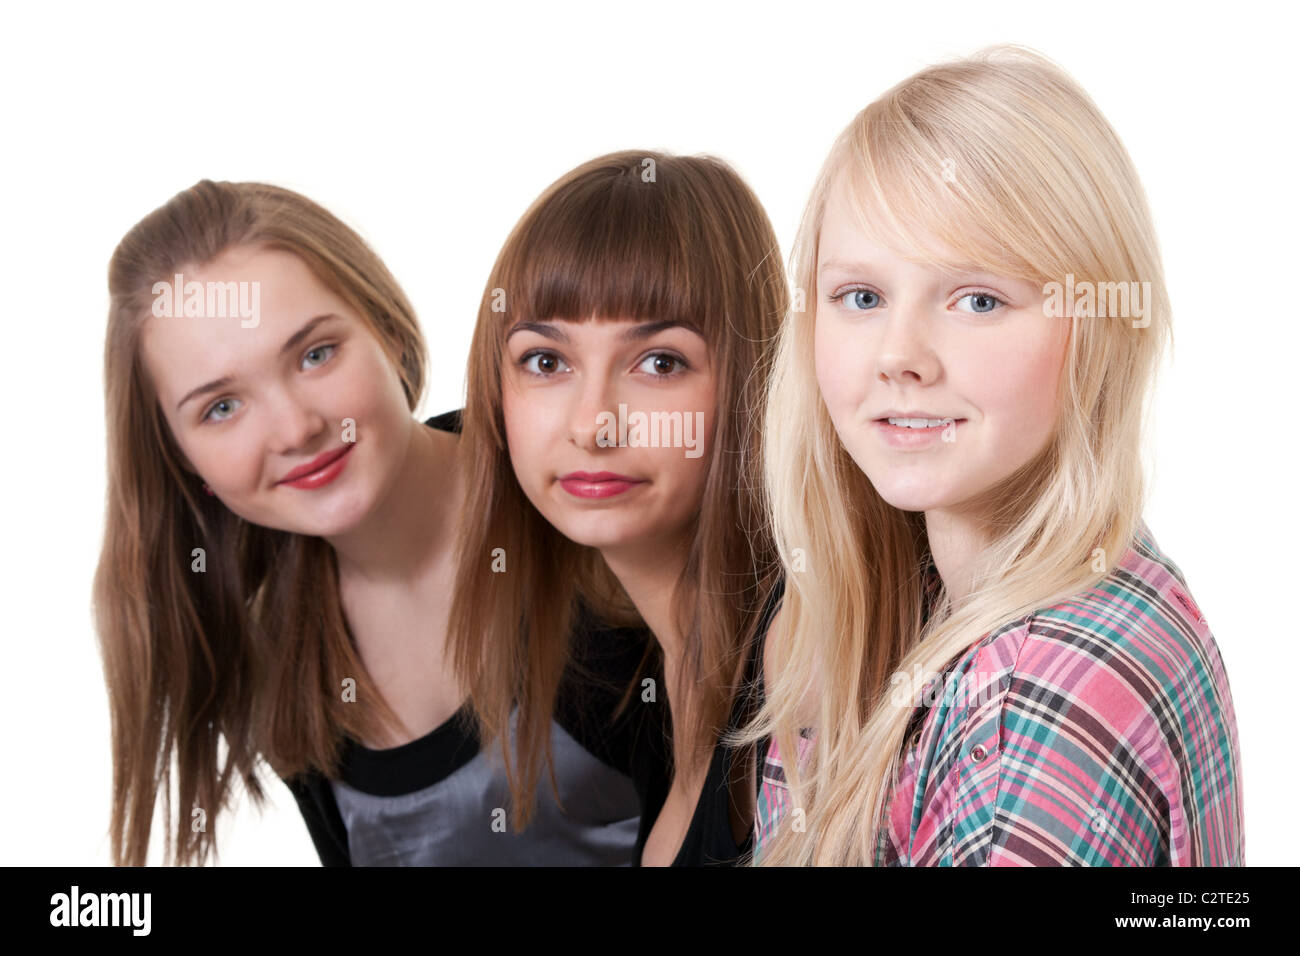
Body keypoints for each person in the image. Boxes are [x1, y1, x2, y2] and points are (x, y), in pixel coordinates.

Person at [744, 45, 1244, 866]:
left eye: (978, 298)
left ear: (1096, 328)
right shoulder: (1059, 587)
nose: (898, 354)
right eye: (861, 297)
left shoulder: (1026, 699)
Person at [94, 180, 654, 866]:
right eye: (221, 408)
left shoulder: (584, 500)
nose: (297, 428)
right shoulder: (278, 659)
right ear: (185, 465)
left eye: (315, 354)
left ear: (386, 329)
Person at [448, 150, 787, 865]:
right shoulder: (649, 681)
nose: (594, 423)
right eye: (547, 362)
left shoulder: (801, 664)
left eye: (660, 362)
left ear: (752, 379)